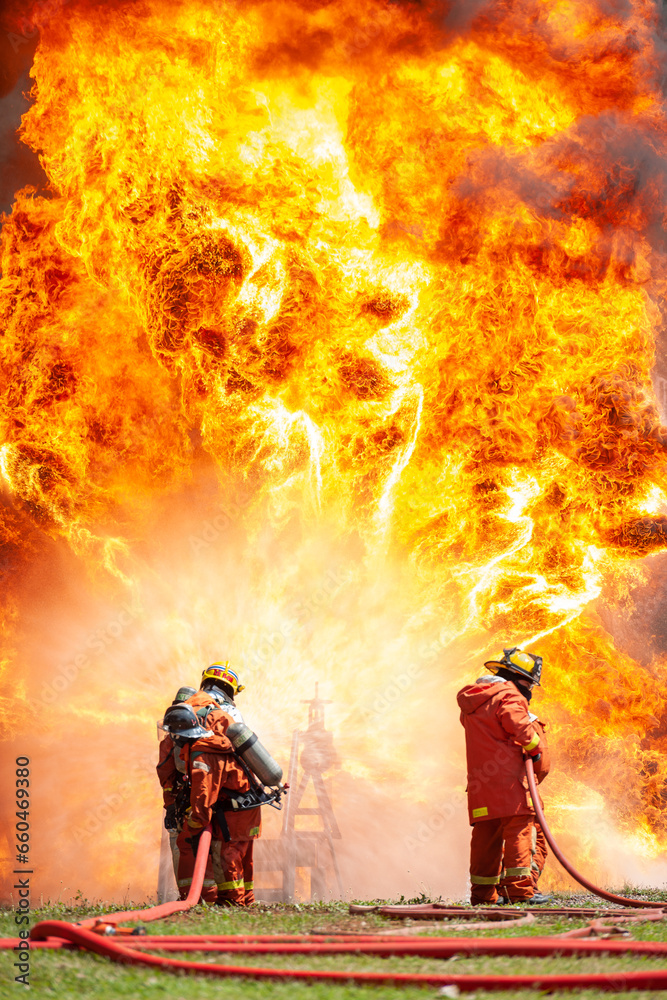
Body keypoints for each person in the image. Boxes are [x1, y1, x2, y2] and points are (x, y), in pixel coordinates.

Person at [457, 647, 551, 905]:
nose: (529, 690)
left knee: (485, 839)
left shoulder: (473, 703)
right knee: (523, 832)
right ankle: (519, 892)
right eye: (529, 683)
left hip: (480, 787)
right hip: (510, 785)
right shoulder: (508, 695)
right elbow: (516, 723)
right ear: (519, 679)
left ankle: (484, 895)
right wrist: (535, 749)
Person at [162, 701, 263, 906]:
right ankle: (245, 902)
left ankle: (232, 904)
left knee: (227, 857)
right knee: (241, 859)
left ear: (179, 734)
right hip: (245, 810)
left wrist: (193, 823)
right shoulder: (212, 741)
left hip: (234, 816)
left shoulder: (202, 754)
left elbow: (203, 796)